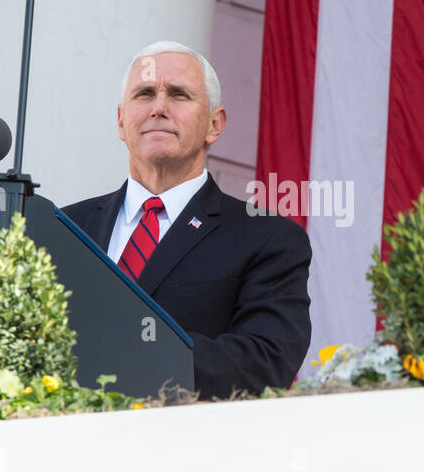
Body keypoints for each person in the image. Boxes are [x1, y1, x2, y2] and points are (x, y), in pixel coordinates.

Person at [60, 41, 312, 399]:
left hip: (187, 448)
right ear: (121, 121)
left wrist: (128, 349)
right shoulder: (65, 228)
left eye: (178, 95)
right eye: (144, 94)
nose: (159, 108)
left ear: (214, 124)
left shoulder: (268, 238)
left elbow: (265, 362)